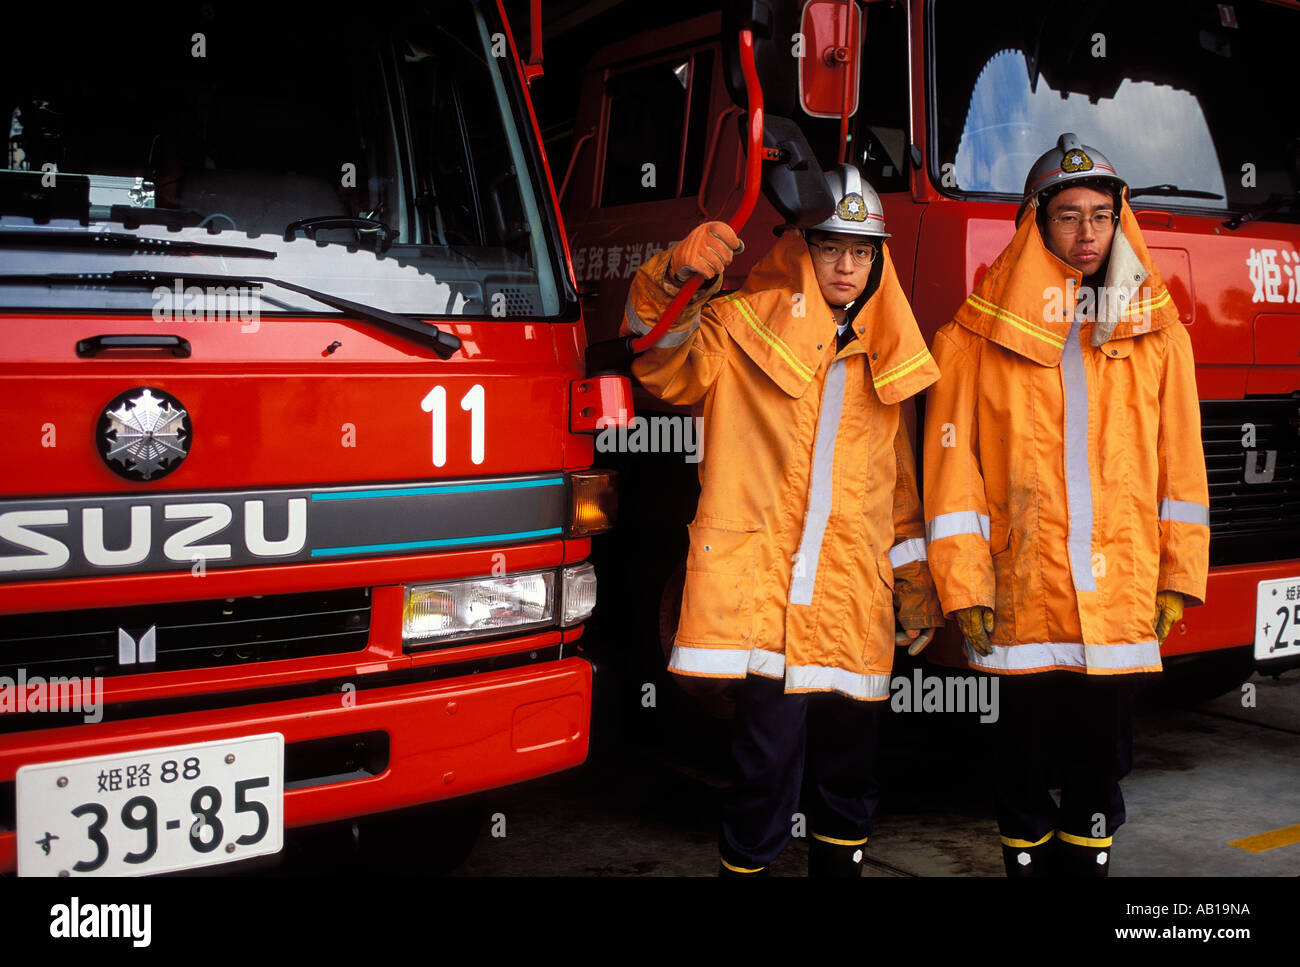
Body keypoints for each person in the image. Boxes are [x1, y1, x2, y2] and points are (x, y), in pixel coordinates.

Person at [621, 165, 943, 877]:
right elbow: (657, 361)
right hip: (766, 605)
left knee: (850, 779)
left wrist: (915, 583)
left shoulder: (887, 358)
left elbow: (898, 494)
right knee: (764, 773)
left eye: (863, 252)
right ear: (803, 245)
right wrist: (676, 275)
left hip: (852, 603)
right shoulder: (736, 325)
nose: (848, 266)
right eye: (832, 248)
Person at [922, 133, 1210, 877]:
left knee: (1099, 772)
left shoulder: (1159, 333)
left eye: (1102, 216)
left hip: (1117, 596)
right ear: (1035, 224)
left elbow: (1182, 468)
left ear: (1121, 222)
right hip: (1024, 595)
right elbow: (952, 477)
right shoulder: (973, 339)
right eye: (1069, 216)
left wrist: (1178, 575)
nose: (1087, 234)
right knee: (1019, 771)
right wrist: (963, 585)